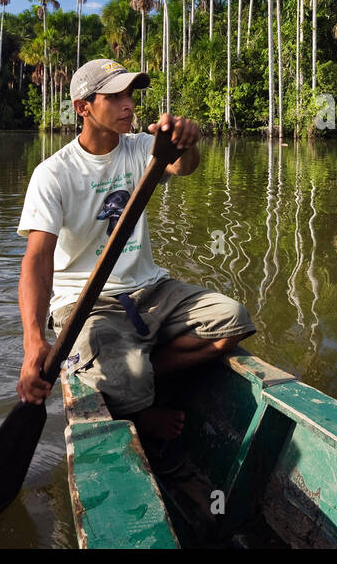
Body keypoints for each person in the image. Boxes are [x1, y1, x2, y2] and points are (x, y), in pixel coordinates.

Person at [14, 58, 255, 452]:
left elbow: (183, 166)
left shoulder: (142, 147)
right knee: (126, 374)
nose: (128, 104)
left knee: (232, 320)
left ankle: (143, 369)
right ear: (83, 107)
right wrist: (33, 342)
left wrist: (185, 144)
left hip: (151, 289)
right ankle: (140, 411)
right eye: (115, 96)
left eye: (130, 95)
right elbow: (37, 261)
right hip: (86, 303)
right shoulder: (53, 174)